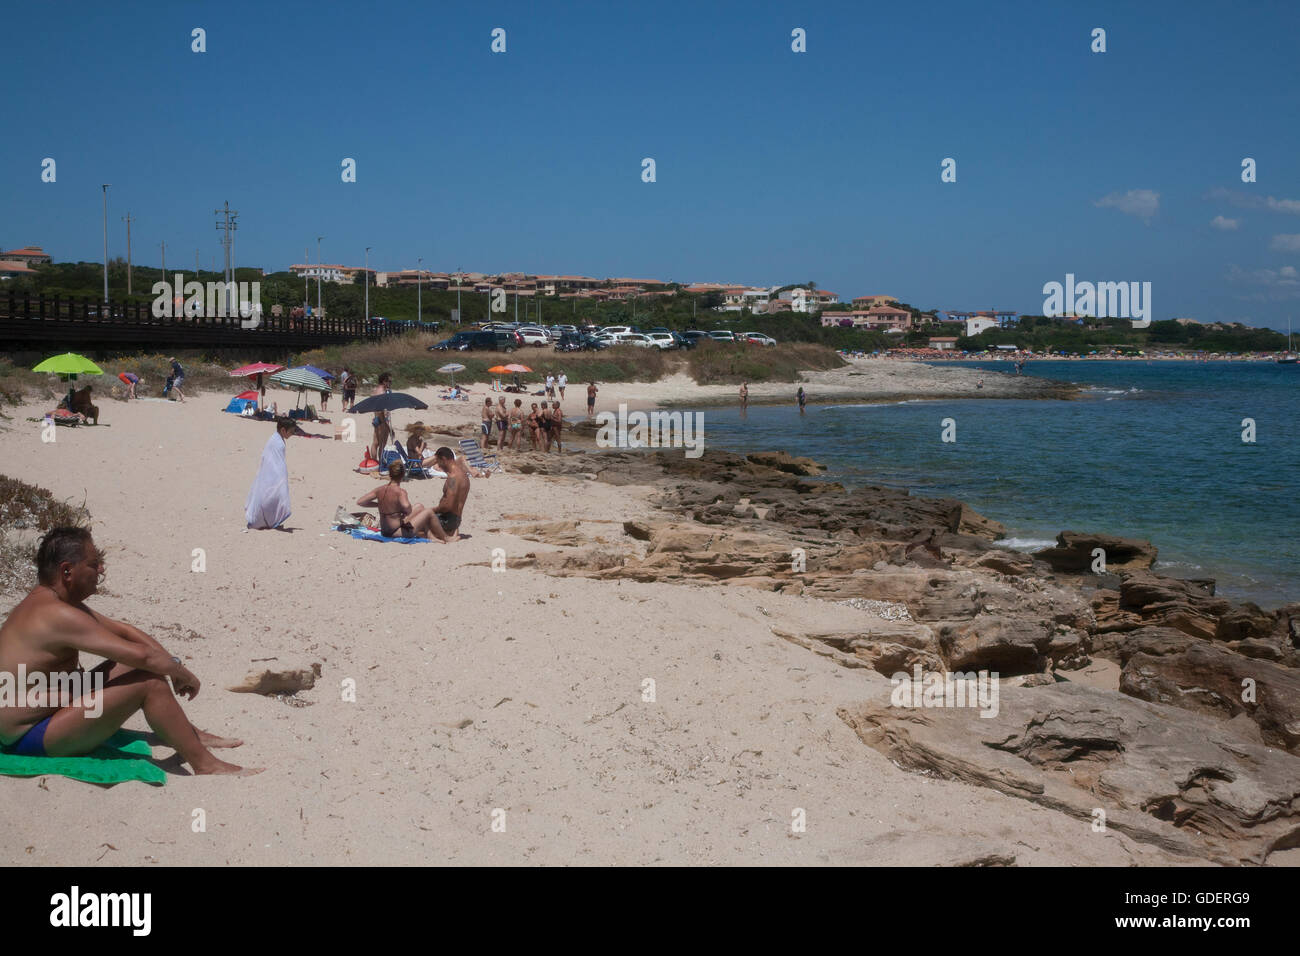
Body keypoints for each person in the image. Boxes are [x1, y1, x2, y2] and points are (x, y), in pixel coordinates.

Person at [0, 527, 257, 774]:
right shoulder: (57, 614)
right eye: (93, 564)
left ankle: (191, 734)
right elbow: (142, 656)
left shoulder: (51, 601)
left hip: (47, 709)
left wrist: (172, 666)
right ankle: (205, 764)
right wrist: (183, 673)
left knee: (144, 668)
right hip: (30, 736)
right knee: (149, 684)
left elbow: (124, 631)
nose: (100, 569)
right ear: (67, 571)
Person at [355, 461, 436, 539]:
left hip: (384, 530)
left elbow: (361, 502)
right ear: (403, 474)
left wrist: (379, 504)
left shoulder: (379, 489)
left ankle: (428, 533)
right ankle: (431, 536)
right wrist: (405, 511)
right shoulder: (400, 492)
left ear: (390, 474)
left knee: (419, 506)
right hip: (395, 532)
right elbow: (406, 506)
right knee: (427, 513)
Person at [245, 418, 296, 530]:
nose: (292, 434)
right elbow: (276, 462)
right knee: (272, 496)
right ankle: (266, 520)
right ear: (283, 430)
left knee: (271, 496)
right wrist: (282, 477)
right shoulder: (277, 443)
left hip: (269, 474)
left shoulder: (276, 438)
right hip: (272, 474)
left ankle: (269, 520)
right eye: (291, 431)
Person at [426, 447, 470, 543]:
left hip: (447, 520)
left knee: (415, 526)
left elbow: (447, 506)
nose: (438, 465)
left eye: (438, 461)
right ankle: (452, 531)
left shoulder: (453, 478)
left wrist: (431, 510)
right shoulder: (463, 474)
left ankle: (445, 535)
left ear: (444, 459)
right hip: (456, 520)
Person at [370, 372, 392, 460]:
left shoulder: (376, 390)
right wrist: (386, 423)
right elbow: (380, 410)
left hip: (376, 419)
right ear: (384, 381)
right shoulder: (382, 392)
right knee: (382, 444)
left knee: (375, 443)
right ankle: (380, 465)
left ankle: (374, 462)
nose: (390, 384)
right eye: (389, 381)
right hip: (382, 419)